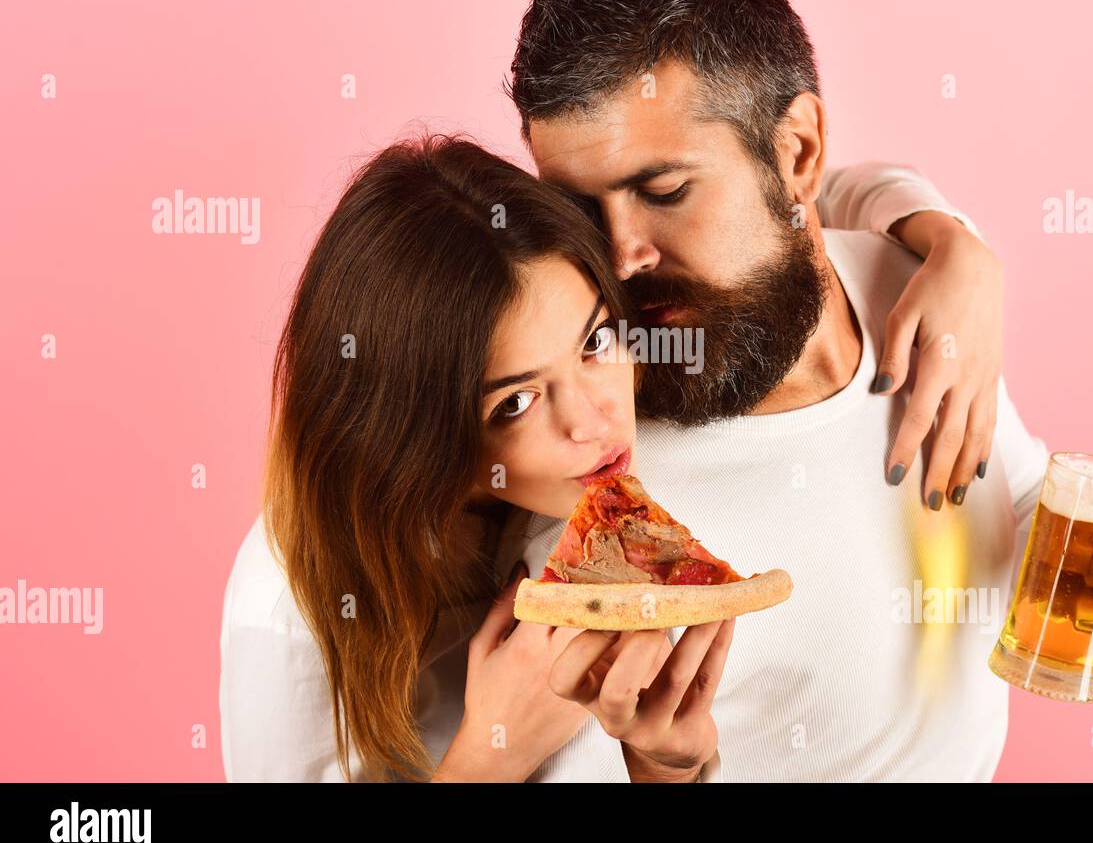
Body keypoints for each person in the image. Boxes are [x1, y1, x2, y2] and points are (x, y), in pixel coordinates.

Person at [494, 0, 1093, 780]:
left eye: (664, 189)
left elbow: (1015, 490)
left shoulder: (919, 293)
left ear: (799, 153)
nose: (620, 255)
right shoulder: (594, 483)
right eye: (580, 211)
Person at [217, 135, 989, 782]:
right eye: (514, 403)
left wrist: (955, 244)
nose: (598, 421)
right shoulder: (286, 612)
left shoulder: (569, 494)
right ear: (418, 436)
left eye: (595, 342)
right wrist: (494, 748)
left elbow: (796, 185)